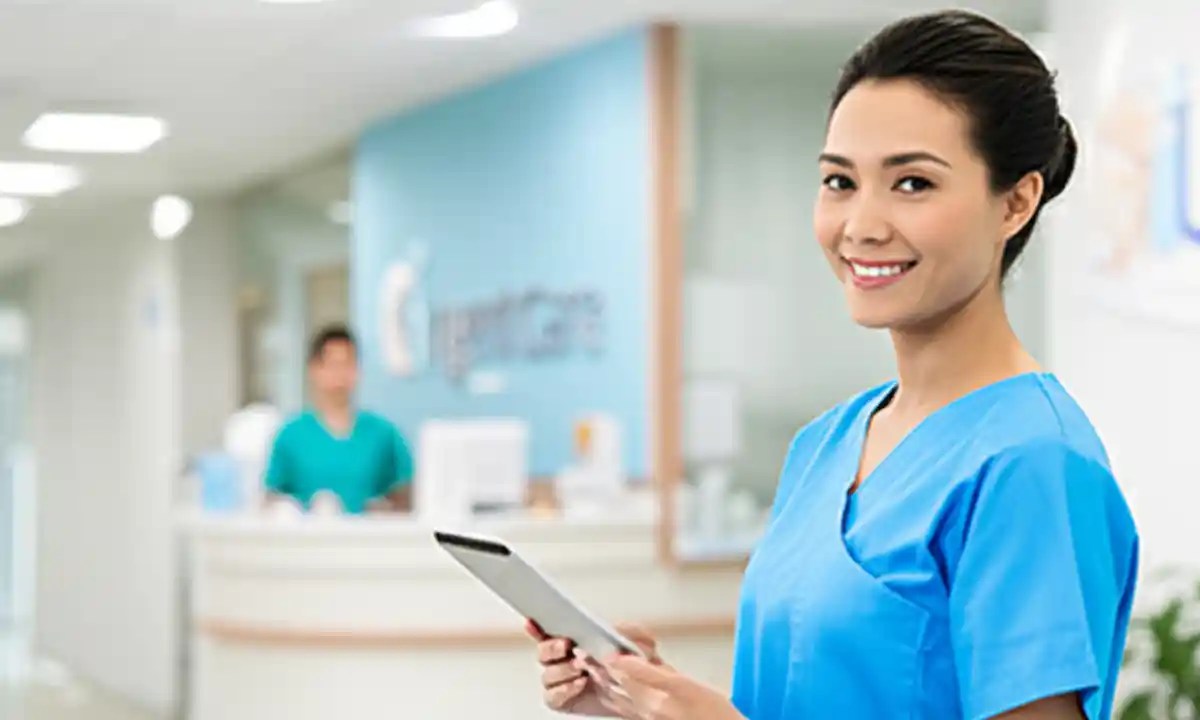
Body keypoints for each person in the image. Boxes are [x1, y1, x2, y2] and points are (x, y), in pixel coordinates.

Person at [528, 10, 1139, 720]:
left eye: (912, 183)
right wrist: (652, 699)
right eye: (839, 182)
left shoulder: (1032, 464)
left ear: (1016, 201)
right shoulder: (824, 445)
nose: (862, 225)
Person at [265, 325, 414, 514]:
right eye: (332, 365)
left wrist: (385, 510)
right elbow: (270, 498)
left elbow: (405, 497)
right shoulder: (291, 436)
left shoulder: (383, 434)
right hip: (307, 541)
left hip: (369, 541)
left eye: (347, 364)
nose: (340, 375)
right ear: (314, 369)